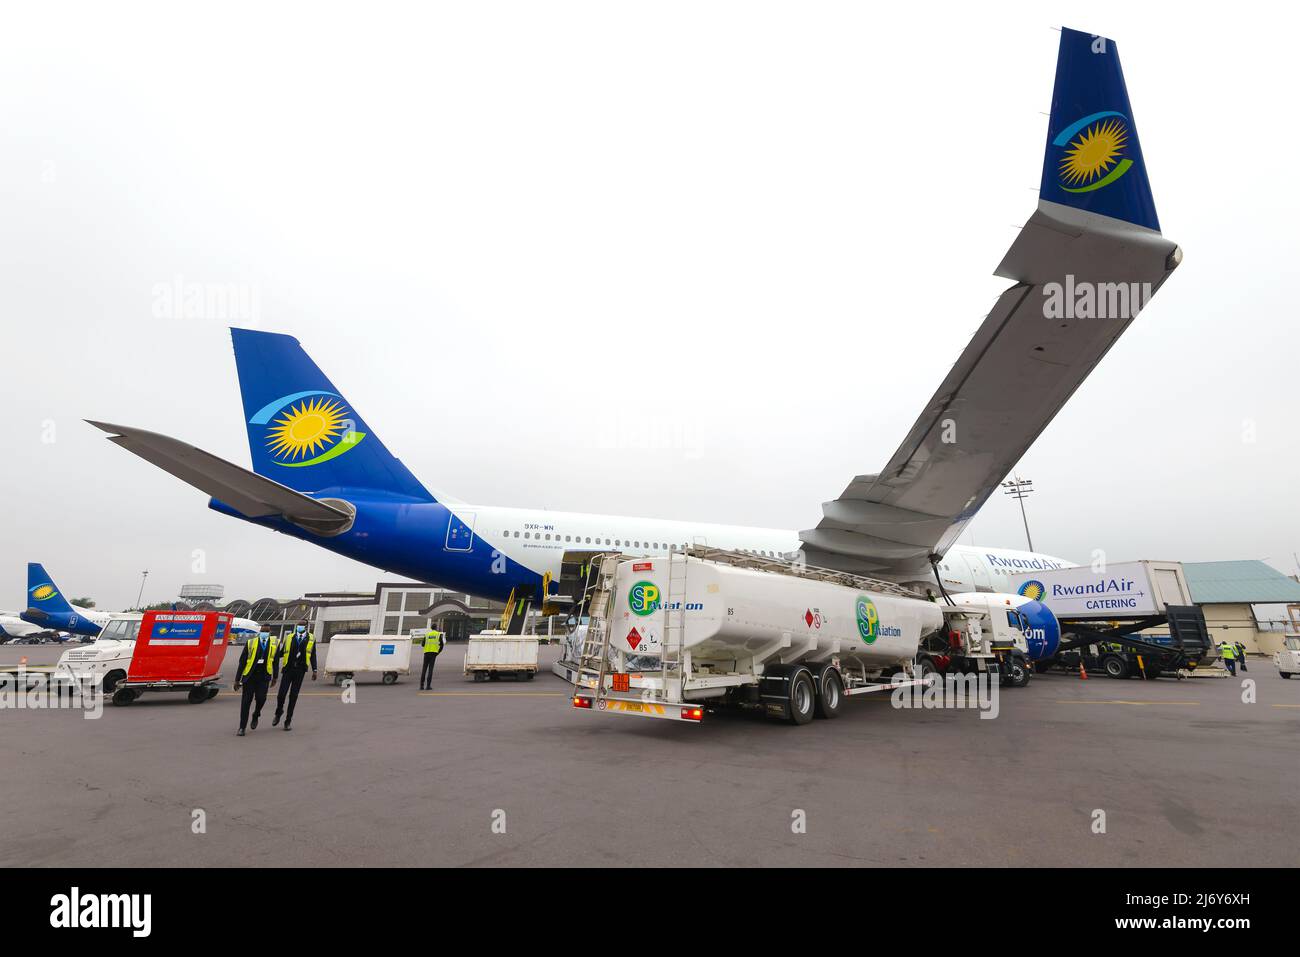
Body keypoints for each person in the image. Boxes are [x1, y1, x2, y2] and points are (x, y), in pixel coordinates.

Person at [273, 620, 317, 730]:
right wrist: (272, 655)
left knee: (293, 696)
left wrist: (315, 670)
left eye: (302, 625)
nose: (299, 626)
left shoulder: (311, 638)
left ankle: (288, 721)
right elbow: (283, 652)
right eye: (298, 625)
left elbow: (313, 655)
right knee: (281, 694)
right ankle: (279, 712)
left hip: (300, 670)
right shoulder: (289, 637)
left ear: (306, 627)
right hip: (288, 669)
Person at [235, 630, 279, 736]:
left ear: (270, 632)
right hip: (249, 677)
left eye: (266, 631)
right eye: (263, 630)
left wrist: (275, 677)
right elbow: (242, 662)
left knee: (261, 698)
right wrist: (237, 679)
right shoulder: (251, 642)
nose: (264, 632)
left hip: (264, 677)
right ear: (260, 632)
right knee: (246, 702)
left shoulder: (274, 644)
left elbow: (276, 662)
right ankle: (242, 727)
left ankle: (256, 714)